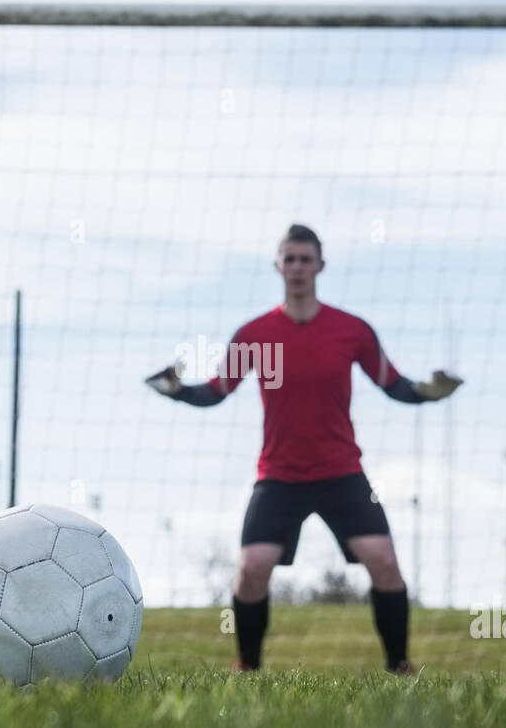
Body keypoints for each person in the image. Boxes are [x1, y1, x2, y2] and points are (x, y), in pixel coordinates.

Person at [146, 223, 462, 672]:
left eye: (305, 259)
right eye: (289, 259)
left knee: (385, 561)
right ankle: (248, 669)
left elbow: (394, 384)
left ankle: (399, 666)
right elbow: (215, 391)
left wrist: (430, 391)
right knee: (251, 569)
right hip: (279, 477)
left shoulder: (353, 331)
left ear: (320, 265)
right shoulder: (254, 333)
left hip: (342, 474)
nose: (297, 267)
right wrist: (176, 390)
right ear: (278, 266)